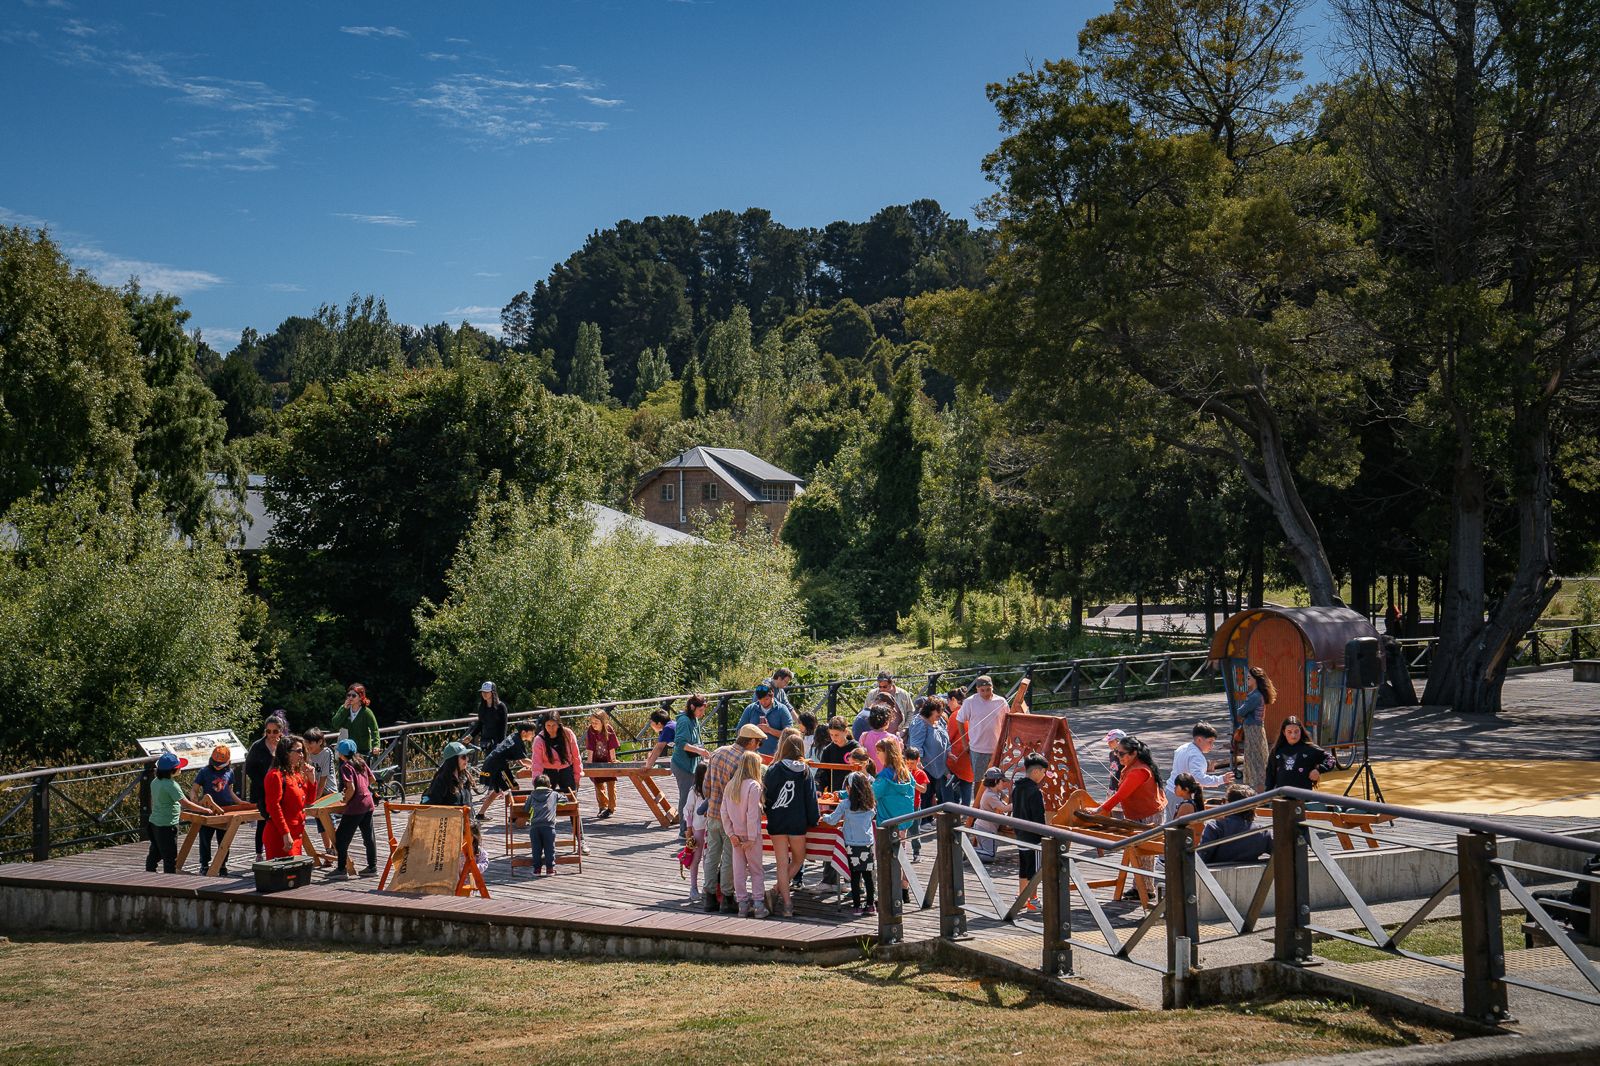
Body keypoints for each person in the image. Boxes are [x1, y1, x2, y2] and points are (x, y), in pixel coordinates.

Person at [1088, 735, 1165, 909]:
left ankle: (1145, 890)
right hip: (1140, 812)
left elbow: (1121, 794)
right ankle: (1141, 887)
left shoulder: (1138, 771)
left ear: (1134, 753)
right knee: (1139, 852)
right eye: (1116, 753)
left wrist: (1100, 810)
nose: (1118, 757)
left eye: (1122, 754)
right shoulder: (1132, 767)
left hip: (1148, 813)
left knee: (1145, 852)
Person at [701, 723, 765, 913]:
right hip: (733, 818)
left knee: (712, 855)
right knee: (730, 859)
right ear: (751, 741)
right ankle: (728, 897)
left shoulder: (718, 752)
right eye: (759, 743)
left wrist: (712, 799)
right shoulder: (743, 760)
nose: (759, 747)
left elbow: (706, 786)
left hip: (713, 812)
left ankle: (709, 895)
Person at [763, 732, 819, 917]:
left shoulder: (773, 769)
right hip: (797, 821)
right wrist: (814, 819)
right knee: (798, 860)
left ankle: (786, 903)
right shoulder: (804, 770)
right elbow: (811, 800)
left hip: (777, 821)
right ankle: (776, 892)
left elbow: (767, 796)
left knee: (781, 864)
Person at [821, 769, 878, 914]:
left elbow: (833, 820)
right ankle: (870, 905)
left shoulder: (846, 804)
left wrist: (823, 818)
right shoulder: (870, 803)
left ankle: (857, 906)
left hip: (852, 844)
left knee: (854, 875)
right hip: (867, 843)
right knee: (868, 875)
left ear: (849, 788)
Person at [722, 750, 768, 918]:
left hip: (735, 834)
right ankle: (758, 905)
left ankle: (742, 904)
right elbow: (751, 814)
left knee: (739, 870)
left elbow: (724, 812)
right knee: (756, 870)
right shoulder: (754, 786)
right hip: (750, 835)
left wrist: (731, 833)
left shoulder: (731, 785)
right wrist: (751, 837)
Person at [147, 753, 210, 874]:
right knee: (170, 857)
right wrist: (204, 810)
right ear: (173, 770)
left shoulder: (155, 781)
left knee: (155, 852)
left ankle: (149, 874)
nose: (180, 768)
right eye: (179, 766)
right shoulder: (172, 785)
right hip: (167, 824)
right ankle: (170, 881)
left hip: (154, 822)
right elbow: (185, 803)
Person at [961, 674, 1031, 780]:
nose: (985, 693)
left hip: (997, 747)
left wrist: (1008, 742)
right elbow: (960, 720)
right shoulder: (969, 702)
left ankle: (995, 797)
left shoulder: (1001, 701)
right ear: (977, 689)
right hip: (977, 748)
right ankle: (978, 798)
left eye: (988, 689)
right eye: (982, 690)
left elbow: (1008, 722)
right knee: (979, 781)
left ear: (992, 687)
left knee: (997, 780)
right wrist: (964, 743)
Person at [873, 739, 917, 905]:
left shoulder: (884, 777)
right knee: (901, 856)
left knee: (887, 858)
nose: (876, 755)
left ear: (886, 753)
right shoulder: (906, 773)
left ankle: (890, 895)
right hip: (903, 822)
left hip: (887, 823)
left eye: (879, 752)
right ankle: (904, 889)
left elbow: (872, 795)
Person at [190, 745, 244, 875]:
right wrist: (194, 800)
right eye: (215, 763)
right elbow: (194, 789)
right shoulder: (204, 771)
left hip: (225, 810)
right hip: (208, 810)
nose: (217, 766)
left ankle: (222, 864)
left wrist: (240, 802)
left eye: (220, 764)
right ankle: (204, 864)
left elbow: (229, 790)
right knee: (205, 838)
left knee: (224, 839)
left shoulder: (229, 772)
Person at [263, 734, 317, 861]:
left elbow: (309, 801)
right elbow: (273, 807)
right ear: (286, 753)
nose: (302, 755)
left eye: (302, 751)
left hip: (296, 835)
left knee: (295, 877)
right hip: (280, 836)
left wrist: (312, 780)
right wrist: (285, 834)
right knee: (283, 878)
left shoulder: (297, 774)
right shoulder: (275, 775)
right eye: (298, 751)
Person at [330, 738, 378, 878]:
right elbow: (372, 779)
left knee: (341, 837)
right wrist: (363, 788)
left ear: (341, 754)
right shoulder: (361, 762)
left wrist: (346, 799)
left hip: (356, 806)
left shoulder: (345, 767)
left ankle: (341, 869)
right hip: (368, 803)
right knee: (369, 837)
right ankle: (372, 867)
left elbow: (350, 787)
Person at [245, 712, 286, 860]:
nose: (271, 734)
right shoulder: (258, 746)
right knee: (265, 820)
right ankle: (259, 852)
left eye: (275, 731)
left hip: (282, 788)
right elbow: (249, 768)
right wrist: (264, 783)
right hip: (262, 789)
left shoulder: (284, 745)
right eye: (268, 731)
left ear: (280, 731)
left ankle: (280, 848)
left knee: (280, 819)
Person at [1011, 753, 1050, 909]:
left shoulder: (1017, 788)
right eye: (1043, 772)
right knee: (1034, 870)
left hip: (1020, 833)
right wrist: (1045, 834)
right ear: (1036, 771)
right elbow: (1038, 816)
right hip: (1033, 837)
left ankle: (1021, 896)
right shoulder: (1035, 791)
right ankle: (1032, 899)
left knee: (1024, 867)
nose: (1044, 775)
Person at [669, 696, 710, 837]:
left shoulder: (694, 719)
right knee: (686, 798)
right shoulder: (684, 721)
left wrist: (701, 753)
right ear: (692, 707)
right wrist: (699, 751)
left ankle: (692, 827)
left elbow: (697, 740)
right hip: (682, 765)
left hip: (694, 764)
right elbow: (680, 743)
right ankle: (684, 830)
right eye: (700, 710)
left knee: (694, 796)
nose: (702, 713)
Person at [1199, 784, 1272, 863]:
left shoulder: (1215, 827)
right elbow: (1282, 853)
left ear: (1228, 803)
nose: (1221, 804)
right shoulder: (1262, 833)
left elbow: (1201, 860)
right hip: (1252, 875)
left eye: (1224, 801)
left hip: (1212, 875)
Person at [477, 722, 536, 819]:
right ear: (524, 732)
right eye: (532, 732)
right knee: (515, 787)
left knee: (497, 791)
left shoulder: (515, 737)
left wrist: (525, 764)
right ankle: (515, 815)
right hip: (498, 766)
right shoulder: (517, 742)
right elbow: (525, 760)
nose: (533, 735)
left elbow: (520, 759)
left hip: (492, 764)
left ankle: (480, 814)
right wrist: (537, 765)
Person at [1166, 722, 1233, 807]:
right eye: (1210, 742)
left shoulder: (1182, 747)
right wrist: (1221, 779)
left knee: (1171, 819)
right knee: (1181, 820)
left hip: (1171, 791)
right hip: (1181, 795)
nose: (1212, 746)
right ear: (1199, 740)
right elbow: (1199, 778)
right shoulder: (1197, 756)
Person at [1265, 716, 1335, 792]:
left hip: (1303, 797)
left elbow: (1331, 760)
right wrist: (1267, 794)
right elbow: (1270, 774)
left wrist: (1318, 770)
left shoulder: (1309, 749)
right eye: (1289, 732)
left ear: (1301, 731)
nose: (1293, 735)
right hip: (1281, 798)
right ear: (1283, 732)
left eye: (1296, 731)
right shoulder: (1276, 751)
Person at [1238, 666, 1276, 791]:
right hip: (1257, 729)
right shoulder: (1258, 694)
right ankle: (1259, 788)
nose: (1247, 678)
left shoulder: (1255, 696)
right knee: (1259, 758)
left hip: (1253, 730)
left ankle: (1257, 790)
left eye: (1249, 677)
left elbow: (1241, 711)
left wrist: (1241, 710)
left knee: (1255, 760)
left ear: (1256, 679)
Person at [907, 696, 951, 803]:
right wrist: (918, 762)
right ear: (930, 710)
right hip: (925, 767)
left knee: (936, 796)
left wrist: (949, 752)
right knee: (926, 796)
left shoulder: (939, 721)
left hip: (940, 765)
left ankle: (931, 818)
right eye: (938, 711)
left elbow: (945, 738)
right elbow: (915, 746)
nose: (941, 714)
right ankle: (925, 819)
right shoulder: (920, 723)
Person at [584, 711, 621, 819]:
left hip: (607, 759)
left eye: (596, 722)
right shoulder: (590, 730)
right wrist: (589, 763)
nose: (593, 724)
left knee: (611, 783)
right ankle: (602, 806)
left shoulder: (608, 729)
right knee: (598, 783)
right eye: (592, 722)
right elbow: (590, 746)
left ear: (603, 722)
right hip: (596, 759)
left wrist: (613, 759)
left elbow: (612, 745)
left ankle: (611, 807)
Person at [738, 684, 792, 757]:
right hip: (752, 755)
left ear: (772, 696)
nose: (763, 702)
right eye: (760, 700)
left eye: (766, 699)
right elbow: (739, 731)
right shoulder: (750, 709)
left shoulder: (782, 709)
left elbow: (790, 735)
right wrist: (753, 731)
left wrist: (769, 730)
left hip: (775, 756)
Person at [523, 773, 559, 876]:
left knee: (536, 848)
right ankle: (550, 869)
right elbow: (564, 800)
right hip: (549, 826)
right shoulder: (554, 794)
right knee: (550, 848)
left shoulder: (531, 795)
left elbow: (526, 808)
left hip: (534, 826)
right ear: (549, 785)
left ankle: (537, 869)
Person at [330, 683, 381, 756]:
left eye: (353, 696)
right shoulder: (344, 708)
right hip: (346, 749)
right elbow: (335, 724)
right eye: (348, 695)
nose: (350, 698)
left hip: (362, 750)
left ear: (361, 697)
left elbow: (374, 730)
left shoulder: (366, 712)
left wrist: (376, 745)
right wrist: (344, 710)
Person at [973, 767, 1011, 861]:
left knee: (986, 850)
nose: (1004, 783)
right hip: (986, 828)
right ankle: (967, 851)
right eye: (1002, 781)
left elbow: (1006, 799)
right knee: (990, 855)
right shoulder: (990, 796)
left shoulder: (994, 792)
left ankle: (971, 852)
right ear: (995, 781)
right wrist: (1019, 802)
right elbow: (1004, 808)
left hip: (983, 826)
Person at [422, 741, 477, 807]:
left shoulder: (465, 777)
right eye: (463, 757)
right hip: (449, 816)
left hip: (466, 817)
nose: (467, 759)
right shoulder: (442, 780)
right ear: (453, 760)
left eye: (467, 756)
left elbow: (469, 803)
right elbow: (432, 807)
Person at [682, 764, 708, 902]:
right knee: (696, 858)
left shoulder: (709, 788)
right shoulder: (694, 791)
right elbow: (688, 810)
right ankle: (693, 887)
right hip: (698, 827)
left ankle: (706, 885)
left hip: (708, 827)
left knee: (708, 858)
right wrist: (689, 828)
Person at [815, 716, 860, 794]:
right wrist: (819, 788)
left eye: (836, 735)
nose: (833, 738)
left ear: (845, 732)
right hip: (834, 793)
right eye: (831, 735)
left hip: (853, 791)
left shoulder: (855, 748)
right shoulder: (828, 750)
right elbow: (822, 772)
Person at [945, 687, 974, 806]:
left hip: (957, 756)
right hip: (970, 753)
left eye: (948, 701)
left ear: (953, 699)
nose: (947, 705)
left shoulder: (955, 715)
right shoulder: (971, 711)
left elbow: (949, 737)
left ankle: (952, 810)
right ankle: (967, 813)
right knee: (967, 785)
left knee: (949, 785)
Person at [904, 745, 931, 861]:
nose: (910, 766)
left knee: (915, 830)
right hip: (903, 805)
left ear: (918, 761)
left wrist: (914, 783)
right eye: (908, 763)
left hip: (914, 805)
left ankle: (916, 852)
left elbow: (924, 790)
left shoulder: (920, 773)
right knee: (902, 830)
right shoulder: (903, 772)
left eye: (912, 763)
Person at [467, 681, 509, 752]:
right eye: (483, 692)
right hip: (486, 742)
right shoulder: (481, 707)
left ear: (493, 692)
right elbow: (480, 724)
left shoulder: (501, 707)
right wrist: (471, 736)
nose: (484, 694)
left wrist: (500, 745)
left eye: (487, 692)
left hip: (497, 743)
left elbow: (503, 727)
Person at [858, 706, 899, 771]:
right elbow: (897, 759)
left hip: (868, 774)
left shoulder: (864, 736)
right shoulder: (892, 738)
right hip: (886, 776)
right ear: (886, 721)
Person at [302, 727, 335, 797]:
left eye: (310, 742)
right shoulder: (305, 752)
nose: (307, 745)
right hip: (313, 788)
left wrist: (316, 797)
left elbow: (324, 778)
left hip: (327, 790)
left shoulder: (326, 753)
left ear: (320, 742)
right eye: (306, 742)